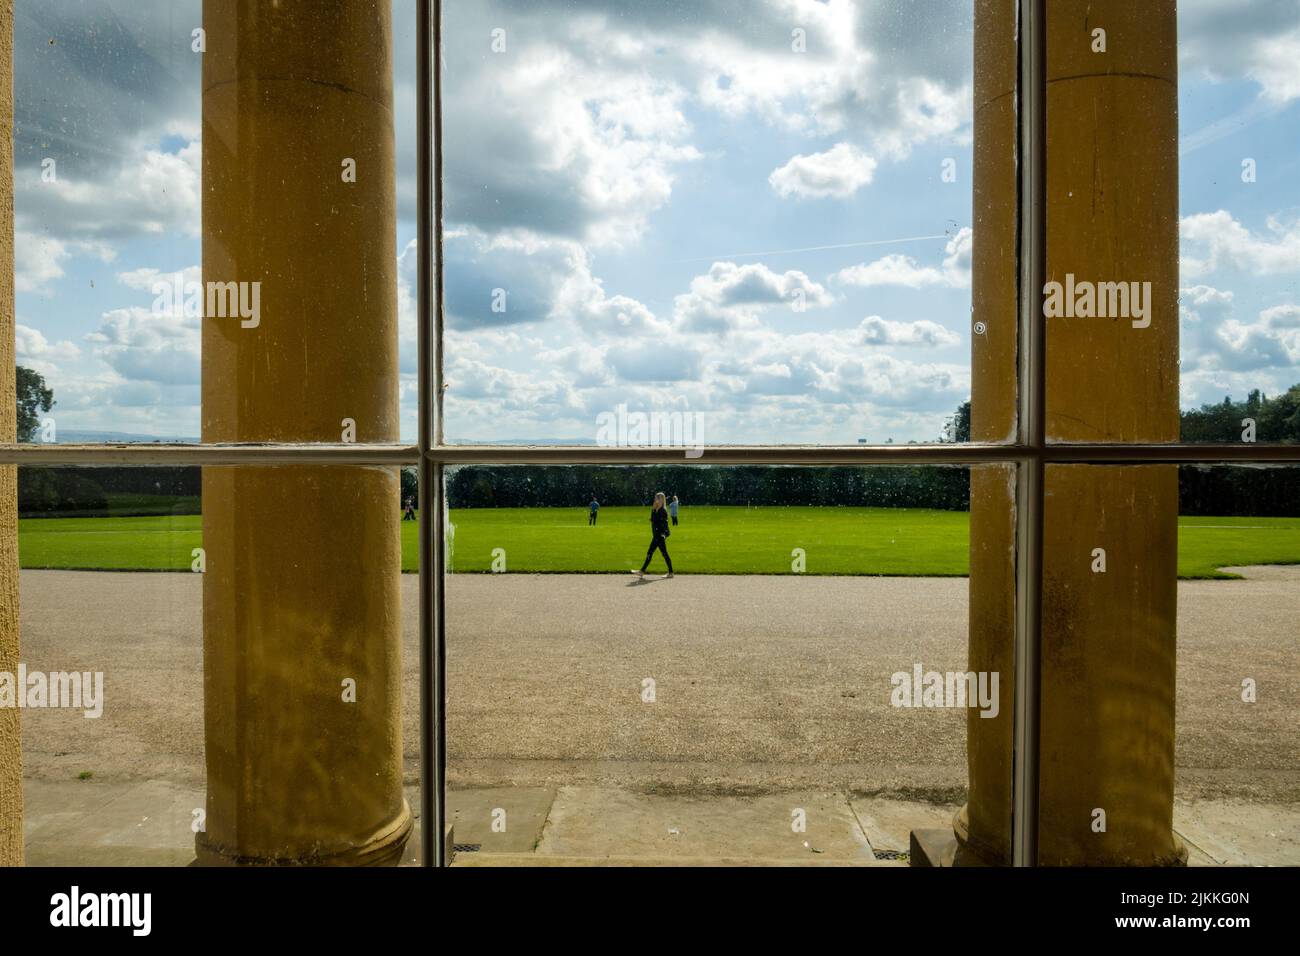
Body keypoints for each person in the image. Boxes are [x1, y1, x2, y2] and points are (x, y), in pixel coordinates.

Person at [634, 492, 673, 578]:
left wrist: (664, 535)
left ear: (661, 500)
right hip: (656, 535)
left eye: (657, 498)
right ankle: (670, 572)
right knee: (663, 554)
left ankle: (642, 571)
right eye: (655, 498)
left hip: (659, 536)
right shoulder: (655, 510)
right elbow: (653, 520)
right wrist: (653, 511)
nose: (655, 500)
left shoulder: (663, 511)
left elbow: (664, 525)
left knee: (652, 553)